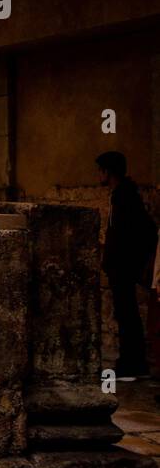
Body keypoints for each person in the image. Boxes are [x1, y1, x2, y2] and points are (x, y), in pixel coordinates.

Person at [97, 151, 156, 379]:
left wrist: (127, 260)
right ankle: (131, 361)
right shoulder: (121, 195)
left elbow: (141, 231)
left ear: (108, 172)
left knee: (127, 314)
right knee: (125, 314)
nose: (98, 175)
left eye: (101, 170)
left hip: (123, 266)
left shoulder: (125, 196)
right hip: (120, 266)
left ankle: (132, 363)